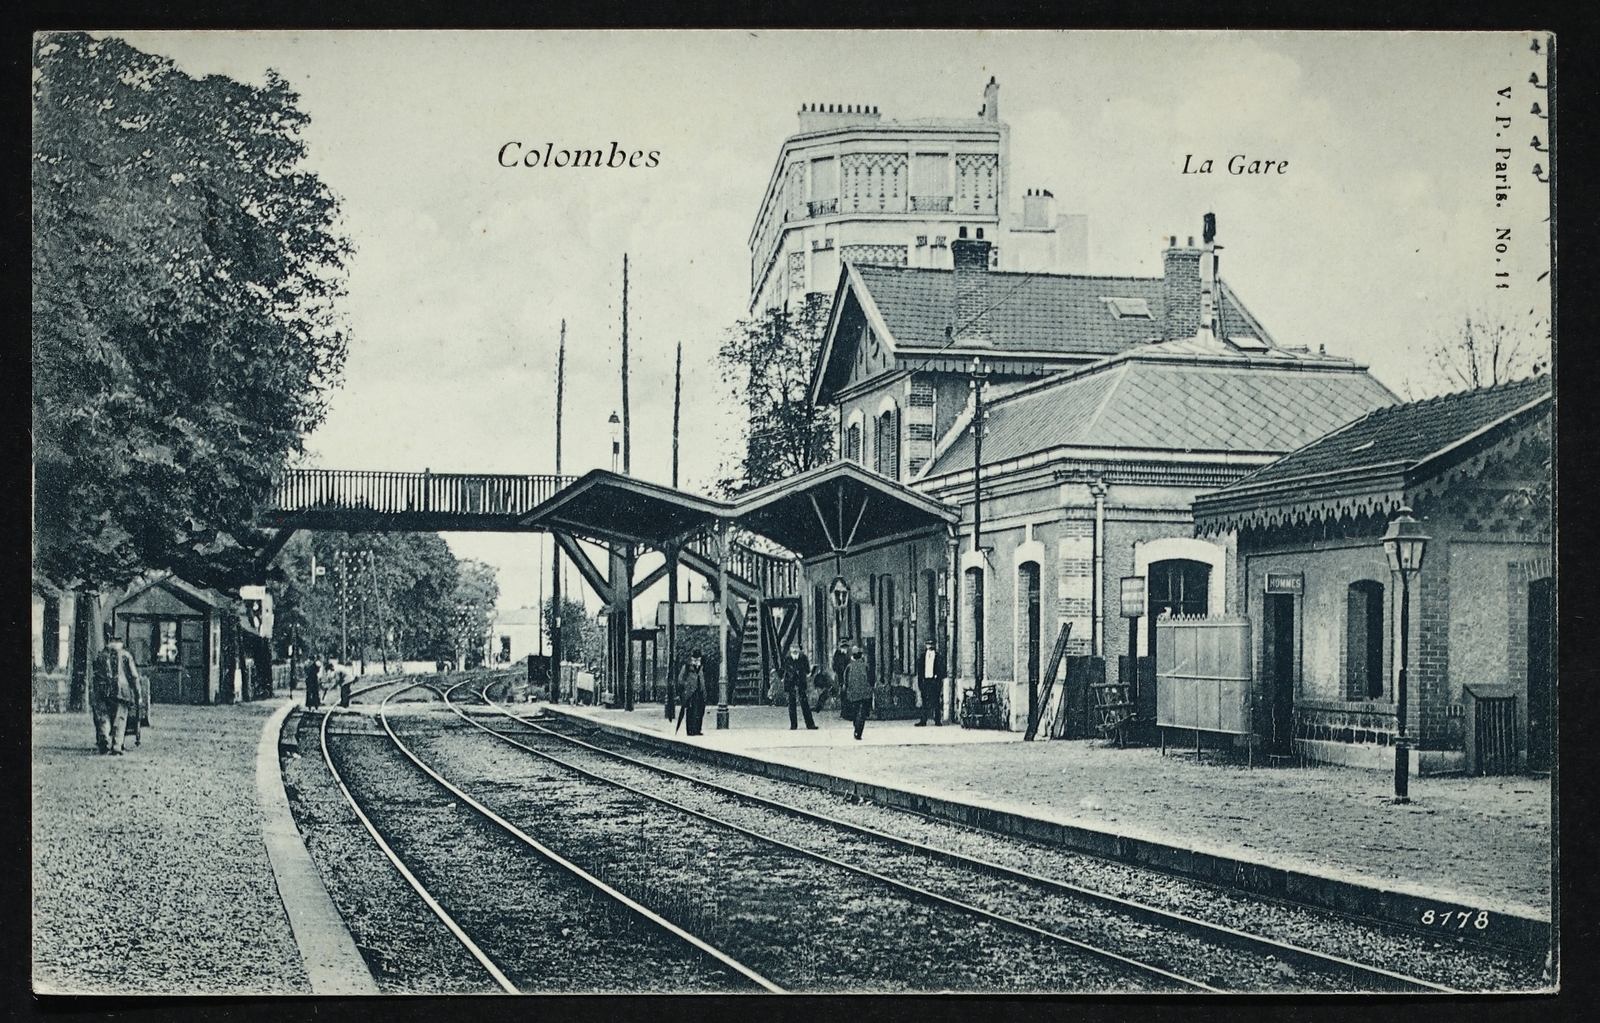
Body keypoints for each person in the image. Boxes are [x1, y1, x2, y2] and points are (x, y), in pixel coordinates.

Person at [91, 623, 141, 755]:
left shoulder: (101, 655)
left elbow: (95, 675)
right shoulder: (126, 655)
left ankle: (105, 742)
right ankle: (116, 746)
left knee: (103, 717)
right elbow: (134, 676)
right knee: (120, 718)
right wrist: (137, 694)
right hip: (121, 691)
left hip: (103, 691)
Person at [780, 642, 818, 731]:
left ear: (799, 650)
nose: (795, 650)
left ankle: (810, 724)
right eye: (793, 649)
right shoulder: (787, 659)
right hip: (790, 683)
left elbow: (807, 670)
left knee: (804, 704)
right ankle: (793, 725)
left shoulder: (803, 658)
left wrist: (807, 673)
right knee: (791, 704)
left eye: (796, 648)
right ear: (790, 650)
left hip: (801, 683)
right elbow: (783, 670)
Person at [843, 643, 873, 740]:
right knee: (863, 713)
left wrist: (846, 690)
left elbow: (845, 681)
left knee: (855, 713)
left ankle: (856, 727)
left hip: (853, 694)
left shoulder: (849, 667)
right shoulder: (865, 666)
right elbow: (871, 679)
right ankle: (859, 731)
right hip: (865, 693)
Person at [916, 639, 947, 726]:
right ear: (926, 645)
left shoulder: (938, 657)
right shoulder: (922, 657)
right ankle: (923, 720)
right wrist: (920, 682)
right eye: (928, 644)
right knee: (924, 701)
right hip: (925, 681)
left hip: (934, 681)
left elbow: (941, 669)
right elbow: (920, 670)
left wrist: (938, 677)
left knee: (936, 701)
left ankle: (937, 720)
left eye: (931, 644)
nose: (930, 646)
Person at [679, 650, 708, 736]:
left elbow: (703, 680)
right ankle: (690, 730)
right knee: (691, 712)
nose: (696, 662)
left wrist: (704, 691)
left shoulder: (701, 667)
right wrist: (686, 687)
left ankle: (697, 729)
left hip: (700, 692)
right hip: (690, 693)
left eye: (698, 660)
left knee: (700, 711)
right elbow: (680, 679)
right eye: (695, 660)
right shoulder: (687, 667)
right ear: (692, 659)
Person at [831, 642, 853, 718]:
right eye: (843, 647)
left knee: (847, 694)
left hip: (848, 676)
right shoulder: (838, 654)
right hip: (840, 676)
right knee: (843, 694)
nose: (844, 648)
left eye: (845, 647)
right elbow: (834, 664)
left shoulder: (850, 654)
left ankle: (847, 711)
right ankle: (844, 711)